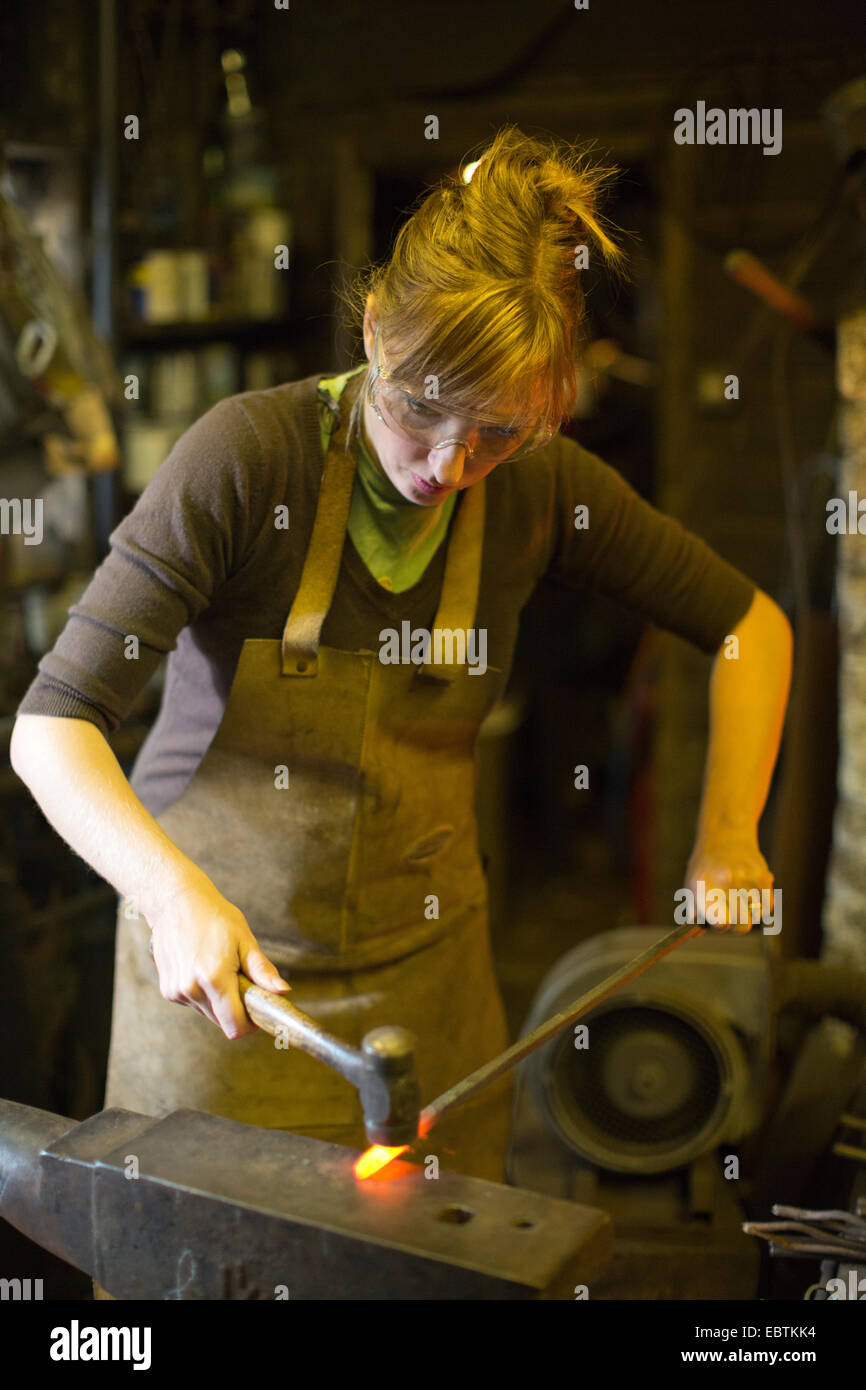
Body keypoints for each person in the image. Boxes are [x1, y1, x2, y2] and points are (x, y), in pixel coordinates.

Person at [10, 125, 792, 1203]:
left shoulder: (538, 488)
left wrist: (723, 840)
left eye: (499, 432)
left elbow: (750, 625)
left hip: (429, 993)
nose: (446, 465)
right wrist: (170, 894)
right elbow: (51, 724)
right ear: (375, 327)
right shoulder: (246, 459)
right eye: (422, 407)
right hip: (227, 993)